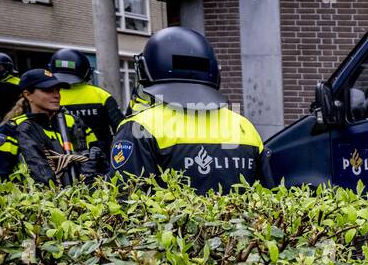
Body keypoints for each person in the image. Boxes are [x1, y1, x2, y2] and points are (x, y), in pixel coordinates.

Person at [110, 26, 261, 193]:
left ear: (145, 69)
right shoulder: (245, 127)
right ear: (215, 71)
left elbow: (125, 202)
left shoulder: (140, 127)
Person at [0, 68, 96, 186]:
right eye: (48, 90)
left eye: (57, 90)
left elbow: (98, 155)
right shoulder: (11, 129)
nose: (56, 95)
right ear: (28, 95)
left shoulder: (73, 122)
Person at [48, 48, 124, 160]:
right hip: (101, 159)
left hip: (60, 159)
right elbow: (121, 128)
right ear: (87, 72)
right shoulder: (101, 95)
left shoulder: (49, 97)